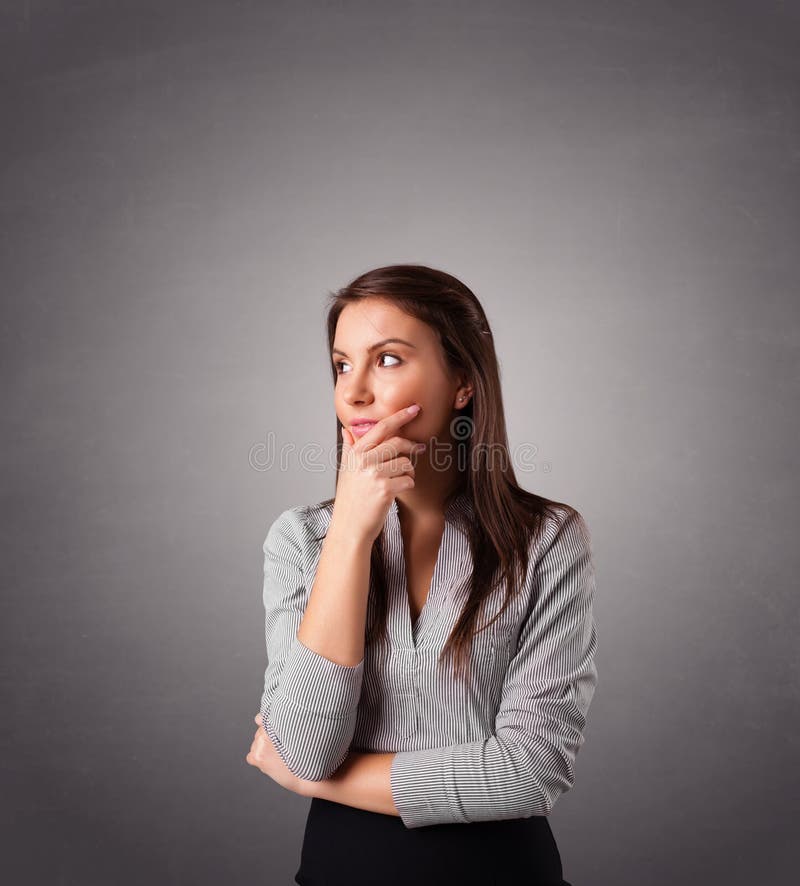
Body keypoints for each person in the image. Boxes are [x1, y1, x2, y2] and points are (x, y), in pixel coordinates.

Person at [247, 264, 598, 885]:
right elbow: (307, 745)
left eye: (386, 360)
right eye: (340, 364)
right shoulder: (300, 539)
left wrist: (317, 780)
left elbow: (531, 772)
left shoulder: (546, 540)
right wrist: (352, 532)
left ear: (462, 381)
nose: (352, 392)